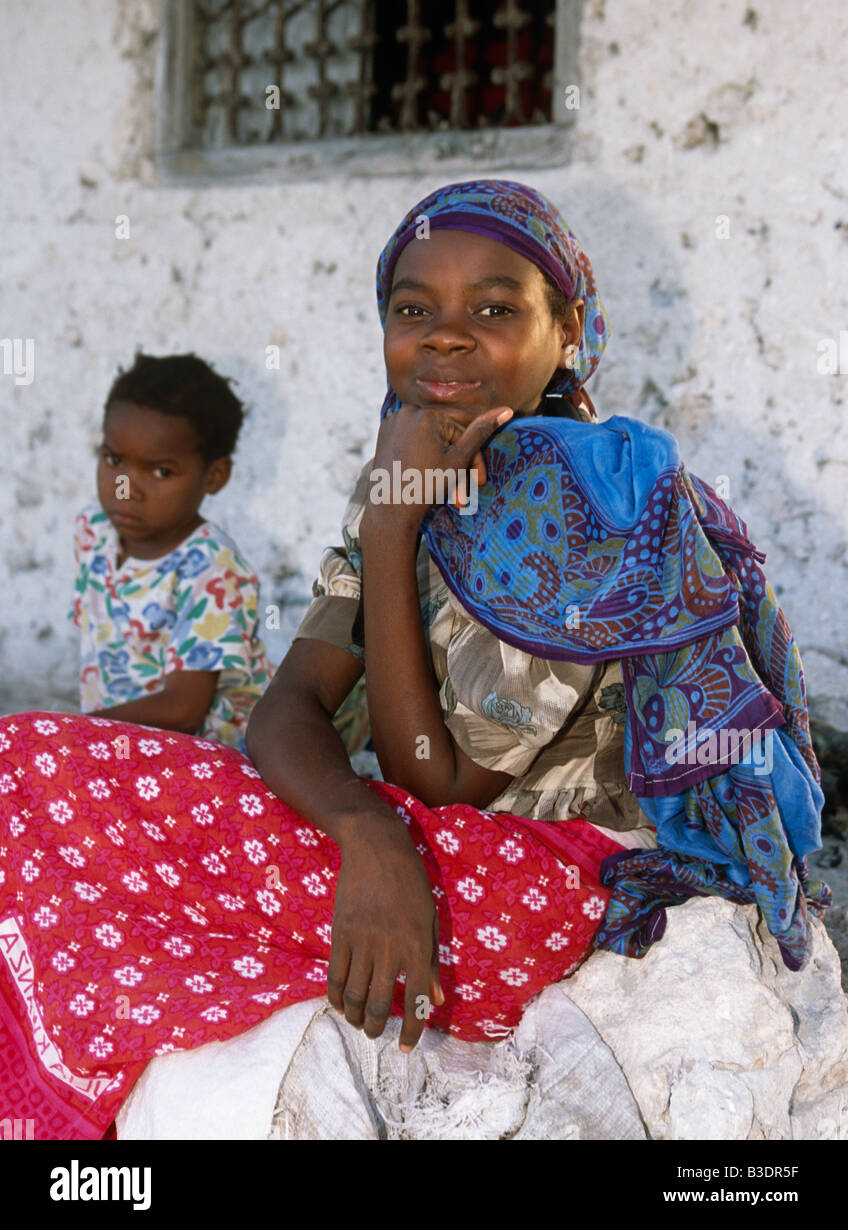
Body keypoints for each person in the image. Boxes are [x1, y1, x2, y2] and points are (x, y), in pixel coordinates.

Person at [0, 181, 829, 1140]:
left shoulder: (587, 496)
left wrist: (393, 529)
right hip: (437, 843)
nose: (443, 336)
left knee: (41, 779)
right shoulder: (408, 458)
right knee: (54, 782)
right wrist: (364, 831)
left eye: (494, 308)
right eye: (412, 309)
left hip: (565, 879)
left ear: (569, 331)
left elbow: (436, 778)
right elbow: (289, 706)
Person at [70, 352, 272, 750]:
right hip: (115, 742)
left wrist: (73, 730)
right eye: (114, 460)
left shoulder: (213, 568)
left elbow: (184, 710)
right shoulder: (93, 532)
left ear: (214, 476)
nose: (126, 489)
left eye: (160, 471)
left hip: (204, 757)